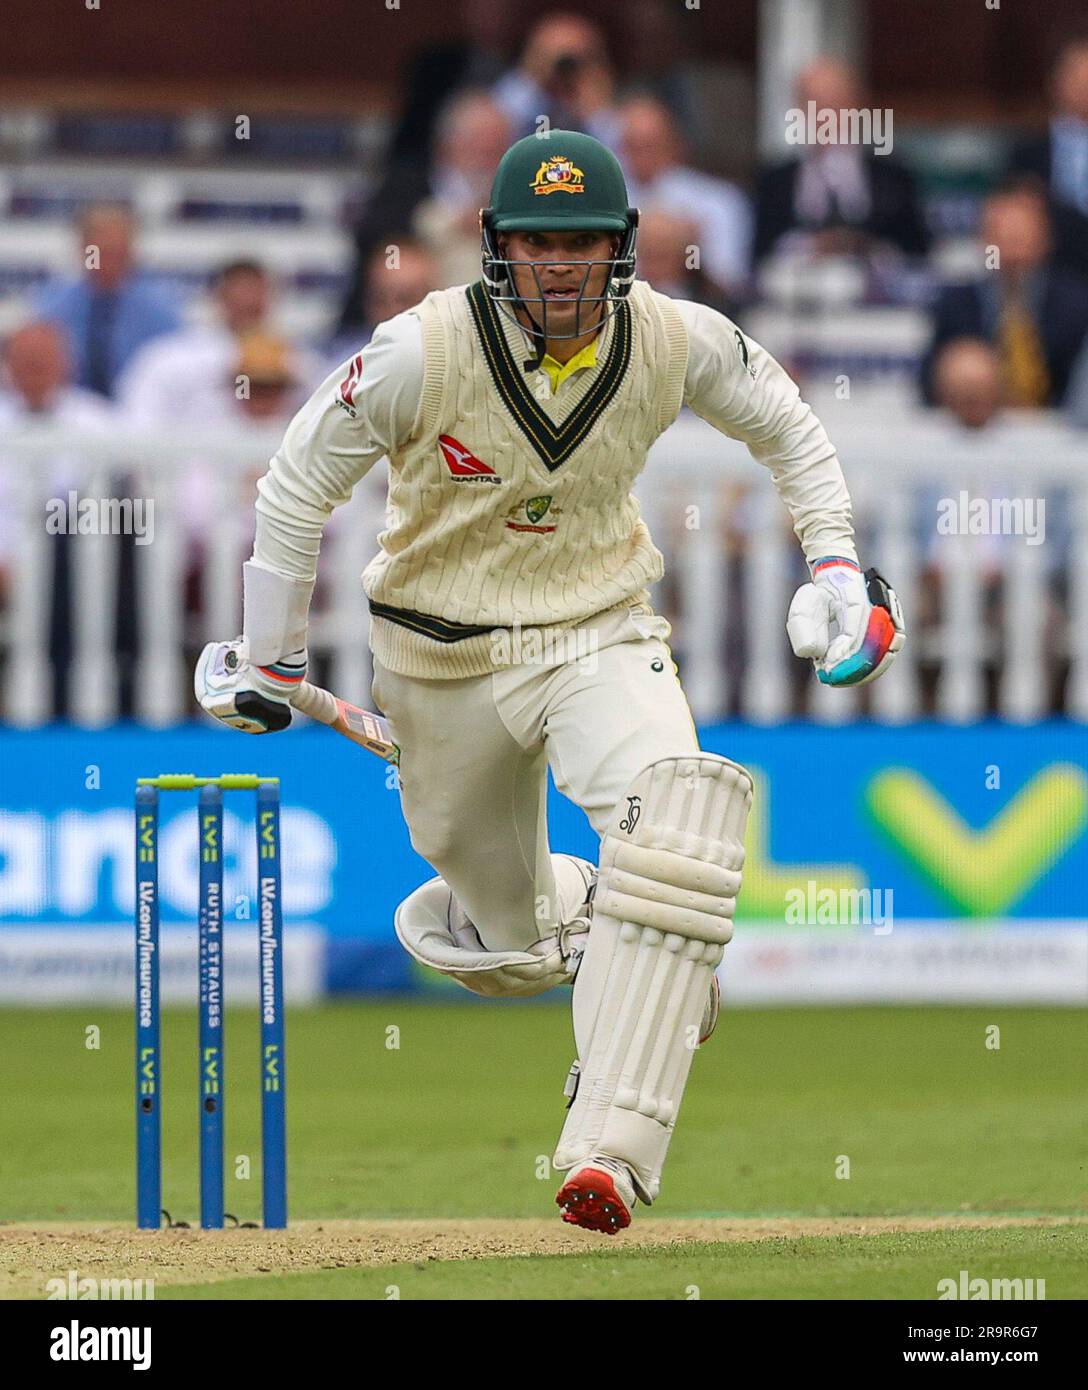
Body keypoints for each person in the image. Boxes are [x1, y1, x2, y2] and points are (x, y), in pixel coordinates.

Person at [195, 131, 904, 1234]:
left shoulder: (673, 337)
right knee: (507, 942)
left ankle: (606, 1155)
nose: (560, 267)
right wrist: (274, 652)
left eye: (580, 243)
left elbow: (789, 428)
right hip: (433, 657)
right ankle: (617, 942)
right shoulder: (418, 350)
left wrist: (835, 566)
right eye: (537, 245)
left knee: (681, 811)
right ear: (498, 251)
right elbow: (296, 484)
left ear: (618, 250)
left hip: (595, 628)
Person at [0, 322, 117, 715]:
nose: (34, 370)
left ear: (66, 364)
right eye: (25, 361)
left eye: (43, 361)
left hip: (71, 568)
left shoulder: (98, 421)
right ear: (8, 365)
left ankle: (71, 709)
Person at [921, 183, 1088, 408]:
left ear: (1044, 240)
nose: (1011, 251)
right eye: (1002, 237)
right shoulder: (957, 302)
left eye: (1021, 238)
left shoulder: (1075, 303)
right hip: (979, 431)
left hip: (1058, 427)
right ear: (984, 240)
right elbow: (926, 383)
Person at [754, 57, 928, 265]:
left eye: (837, 103)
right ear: (799, 108)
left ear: (857, 106)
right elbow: (758, 257)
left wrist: (861, 245)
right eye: (815, 104)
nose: (826, 116)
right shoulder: (774, 181)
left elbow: (917, 253)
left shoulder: (894, 177)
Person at [36, 203, 179, 398]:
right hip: (72, 413)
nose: (108, 261)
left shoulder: (162, 310)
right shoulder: (53, 306)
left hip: (144, 412)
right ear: (83, 250)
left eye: (117, 252)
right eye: (101, 251)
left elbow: (174, 373)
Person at [618, 95, 751, 299]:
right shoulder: (607, 202)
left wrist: (691, 250)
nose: (641, 157)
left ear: (675, 143)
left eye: (650, 145)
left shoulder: (717, 201)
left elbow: (728, 283)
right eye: (631, 146)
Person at [1008, 37, 1088, 277]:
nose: (1084, 87)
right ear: (1055, 83)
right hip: (1047, 278)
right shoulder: (1026, 154)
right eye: (1076, 77)